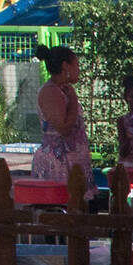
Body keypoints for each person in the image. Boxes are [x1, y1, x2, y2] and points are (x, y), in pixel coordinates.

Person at [30, 44, 88, 181]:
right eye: (76, 66)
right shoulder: (50, 91)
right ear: (65, 66)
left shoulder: (64, 89)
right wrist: (73, 101)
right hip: (58, 162)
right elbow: (64, 128)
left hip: (73, 159)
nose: (79, 70)